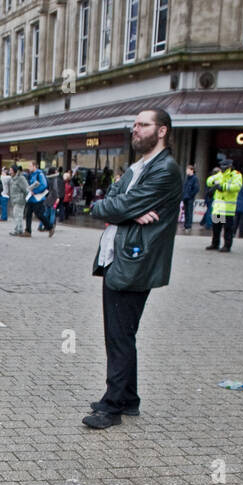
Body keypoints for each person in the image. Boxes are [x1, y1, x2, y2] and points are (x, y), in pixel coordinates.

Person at [83, 107, 183, 430]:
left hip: (134, 261)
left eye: (143, 124)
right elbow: (104, 203)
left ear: (162, 130)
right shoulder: (139, 167)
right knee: (121, 333)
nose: (135, 130)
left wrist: (122, 208)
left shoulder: (165, 170)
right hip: (119, 256)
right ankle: (128, 398)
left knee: (120, 336)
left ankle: (112, 407)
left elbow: (118, 204)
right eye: (135, 124)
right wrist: (126, 210)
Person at [205, 161, 242, 252]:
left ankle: (227, 246)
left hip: (228, 208)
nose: (223, 167)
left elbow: (237, 187)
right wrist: (214, 183)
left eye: (225, 166)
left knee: (228, 229)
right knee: (216, 228)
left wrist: (223, 187)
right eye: (222, 166)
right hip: (218, 208)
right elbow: (209, 181)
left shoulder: (236, 175)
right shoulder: (219, 174)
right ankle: (215, 244)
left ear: (230, 166)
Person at [25, 161, 50, 236]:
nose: (29, 168)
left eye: (30, 166)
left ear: (35, 166)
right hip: (30, 198)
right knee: (28, 214)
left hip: (38, 199)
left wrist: (35, 191)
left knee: (39, 215)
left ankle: (50, 227)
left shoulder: (40, 174)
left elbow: (44, 185)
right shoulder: (30, 175)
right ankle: (28, 231)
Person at [8, 164, 29, 235]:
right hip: (14, 200)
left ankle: (18, 230)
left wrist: (24, 198)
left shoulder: (21, 178)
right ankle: (19, 229)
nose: (9, 172)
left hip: (20, 200)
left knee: (18, 215)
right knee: (16, 215)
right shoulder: (12, 178)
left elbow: (26, 189)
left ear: (14, 171)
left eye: (10, 170)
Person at [181, 164, 199, 232]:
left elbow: (196, 189)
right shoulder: (187, 178)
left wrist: (190, 195)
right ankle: (186, 225)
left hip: (190, 198)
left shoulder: (194, 178)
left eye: (188, 170)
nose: (186, 171)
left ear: (192, 170)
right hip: (185, 198)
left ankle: (188, 226)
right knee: (186, 212)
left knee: (189, 212)